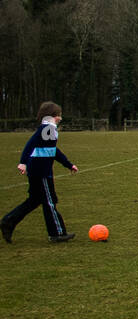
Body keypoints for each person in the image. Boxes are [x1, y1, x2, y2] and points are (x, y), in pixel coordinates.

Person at [1, 101, 78, 244]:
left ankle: (8, 221)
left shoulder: (49, 129)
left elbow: (53, 150)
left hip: (38, 171)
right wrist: (23, 162)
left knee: (34, 201)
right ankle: (57, 233)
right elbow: (30, 144)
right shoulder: (48, 129)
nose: (61, 118)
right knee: (50, 202)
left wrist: (68, 164)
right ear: (53, 116)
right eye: (59, 115)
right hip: (41, 173)